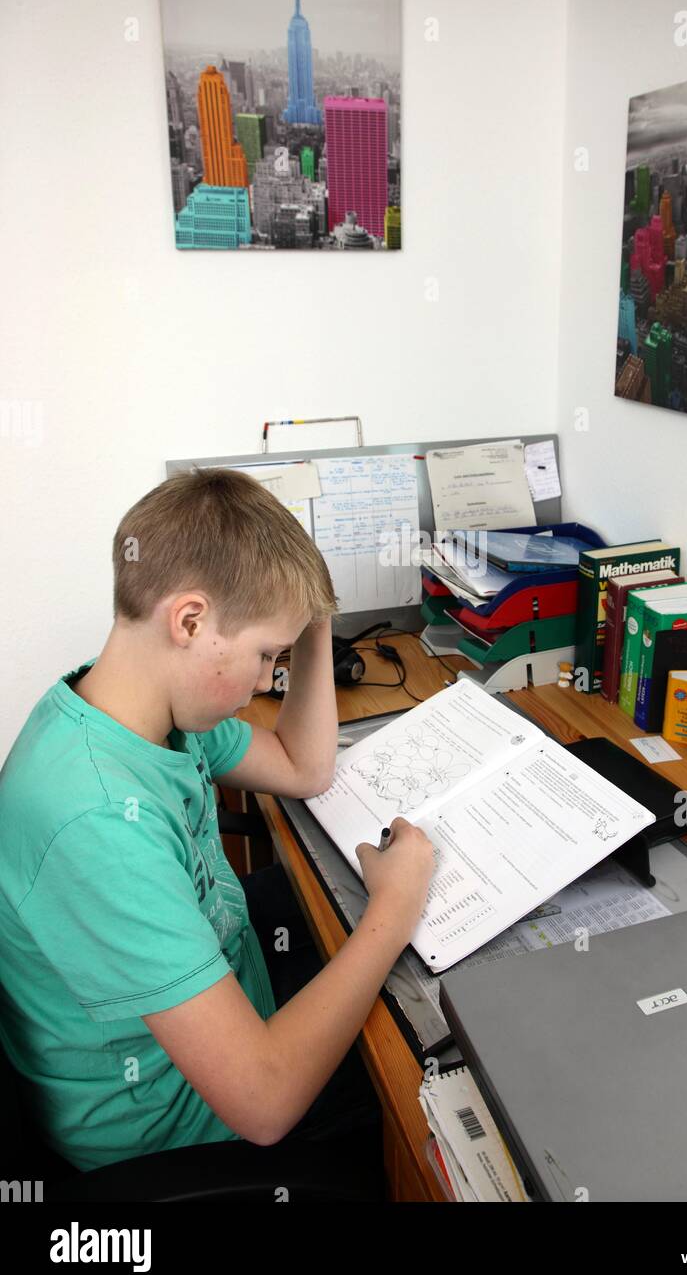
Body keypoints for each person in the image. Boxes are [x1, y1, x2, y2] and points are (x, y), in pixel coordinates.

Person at [0, 466, 434, 1176]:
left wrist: (310, 613)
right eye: (267, 655)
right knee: (417, 1083)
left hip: (226, 986)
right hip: (180, 1133)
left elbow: (303, 764)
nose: (269, 681)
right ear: (191, 621)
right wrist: (395, 907)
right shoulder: (97, 819)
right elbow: (263, 1105)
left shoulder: (140, 706)